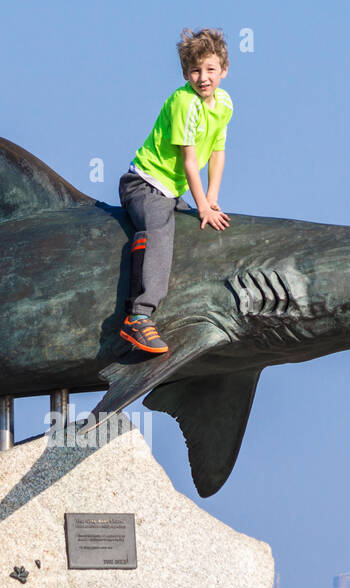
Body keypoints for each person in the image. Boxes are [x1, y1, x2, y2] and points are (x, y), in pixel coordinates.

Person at [117, 28, 233, 355]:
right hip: (145, 184)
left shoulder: (224, 104)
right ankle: (138, 316)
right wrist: (202, 206)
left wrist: (211, 200)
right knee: (159, 230)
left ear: (224, 70)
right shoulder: (185, 103)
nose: (203, 77)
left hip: (172, 190)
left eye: (210, 69)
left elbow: (218, 153)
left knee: (198, 228)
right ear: (185, 73)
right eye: (195, 70)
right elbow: (189, 158)